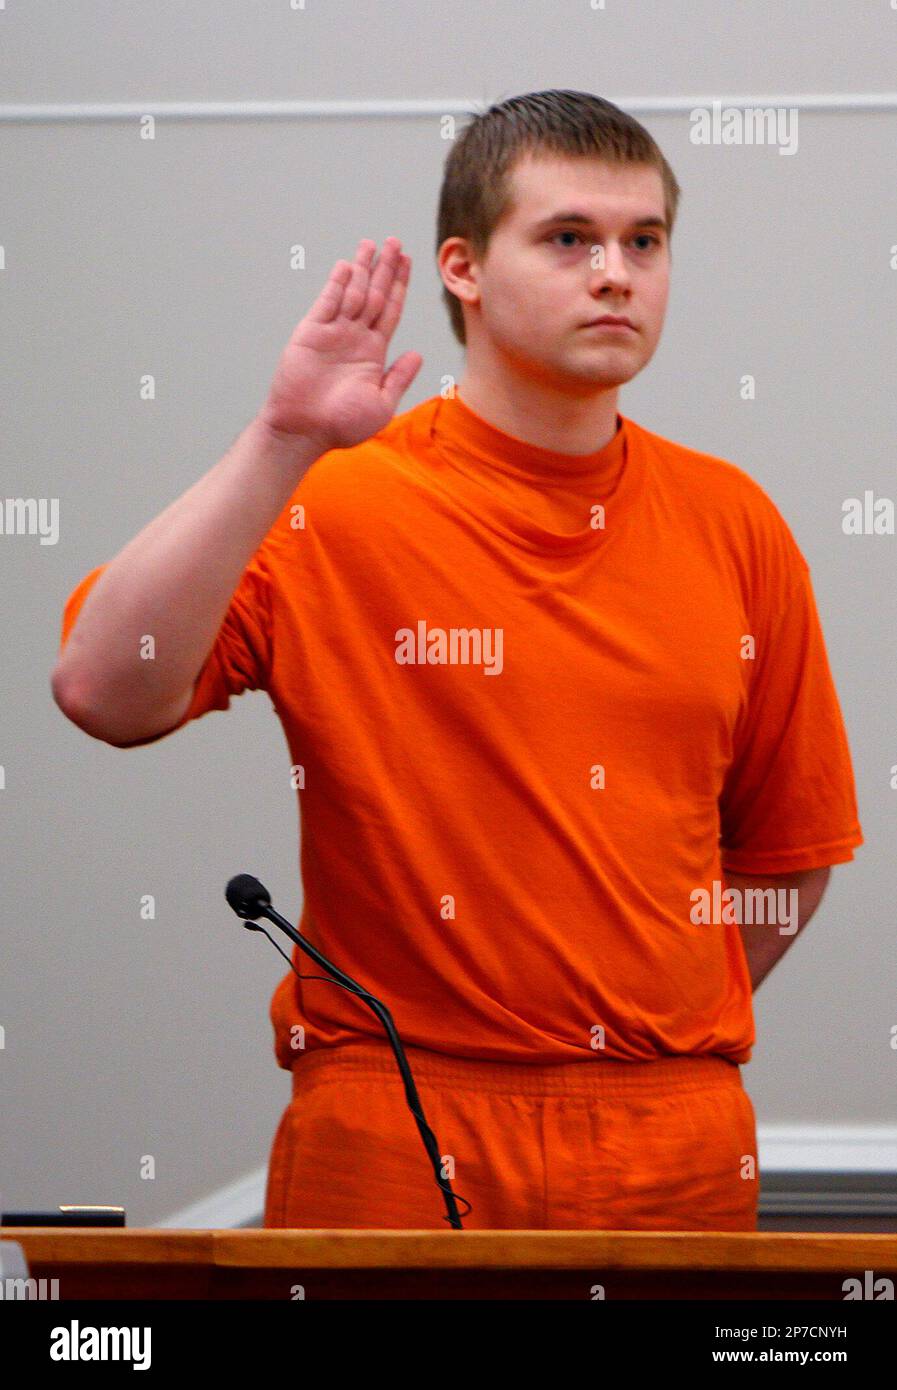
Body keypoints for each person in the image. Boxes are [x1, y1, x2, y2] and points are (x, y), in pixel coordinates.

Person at [52, 89, 863, 1232]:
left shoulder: (736, 525)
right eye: (569, 238)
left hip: (672, 1127)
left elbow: (787, 856)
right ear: (465, 269)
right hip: (395, 1117)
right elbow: (101, 687)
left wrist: (633, 1032)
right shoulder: (332, 497)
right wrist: (282, 438)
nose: (616, 273)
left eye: (645, 241)